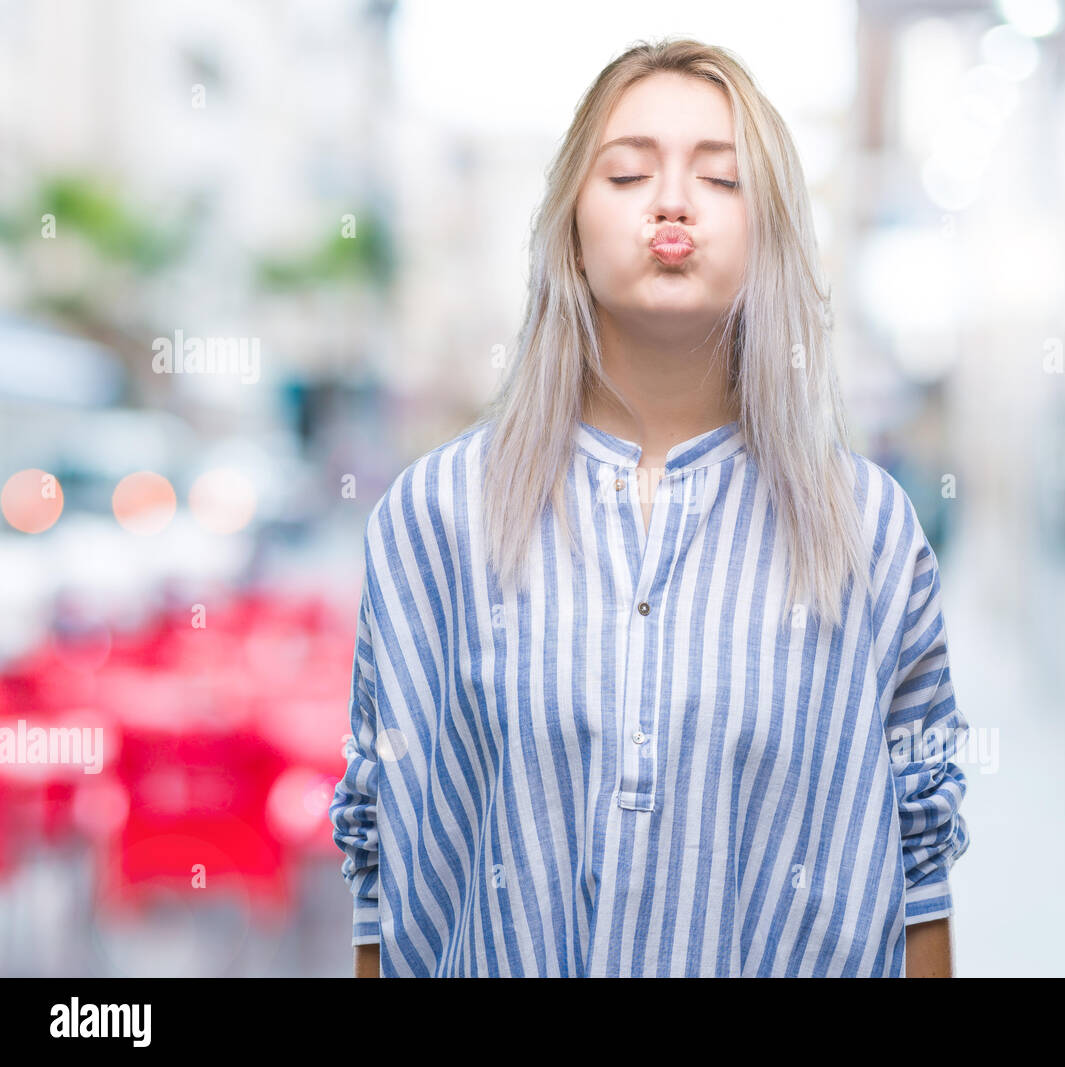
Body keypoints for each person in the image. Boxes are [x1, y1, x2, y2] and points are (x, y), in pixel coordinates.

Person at [330, 36, 970, 978]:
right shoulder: (437, 515)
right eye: (628, 172)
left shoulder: (866, 528)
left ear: (772, 234)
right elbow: (382, 857)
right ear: (571, 231)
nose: (671, 202)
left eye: (721, 178)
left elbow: (922, 857)